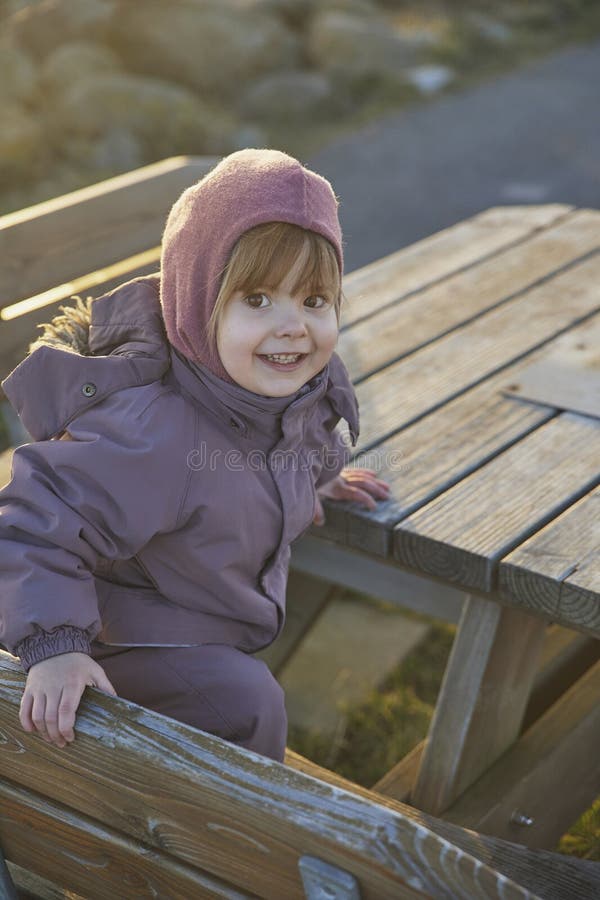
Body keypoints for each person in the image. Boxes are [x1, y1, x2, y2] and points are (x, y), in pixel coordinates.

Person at [0, 148, 389, 762]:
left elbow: (293, 438)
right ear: (196, 302)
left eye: (314, 300)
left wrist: (318, 478)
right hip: (118, 636)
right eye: (258, 300)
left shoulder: (285, 385)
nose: (293, 326)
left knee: (244, 687)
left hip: (208, 611)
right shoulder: (157, 432)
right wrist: (57, 645)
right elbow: (31, 526)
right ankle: (232, 839)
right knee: (247, 705)